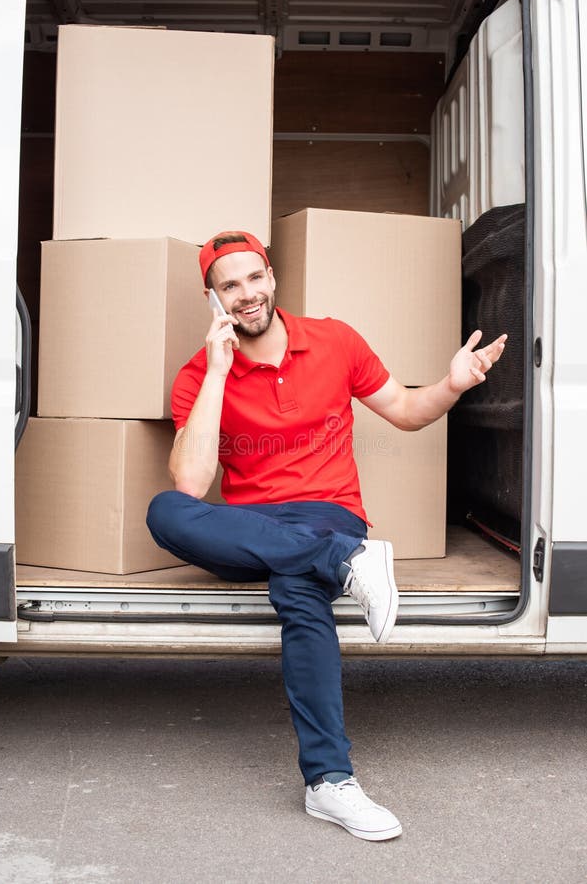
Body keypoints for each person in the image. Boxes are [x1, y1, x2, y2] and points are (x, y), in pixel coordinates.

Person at [147, 230, 507, 842]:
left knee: (298, 591)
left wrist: (454, 383)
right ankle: (346, 563)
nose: (246, 295)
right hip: (251, 526)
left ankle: (328, 783)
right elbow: (190, 480)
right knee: (165, 510)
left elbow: (408, 412)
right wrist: (216, 373)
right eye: (228, 286)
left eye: (253, 278)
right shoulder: (196, 374)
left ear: (272, 276)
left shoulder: (335, 340)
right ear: (213, 297)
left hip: (327, 512)